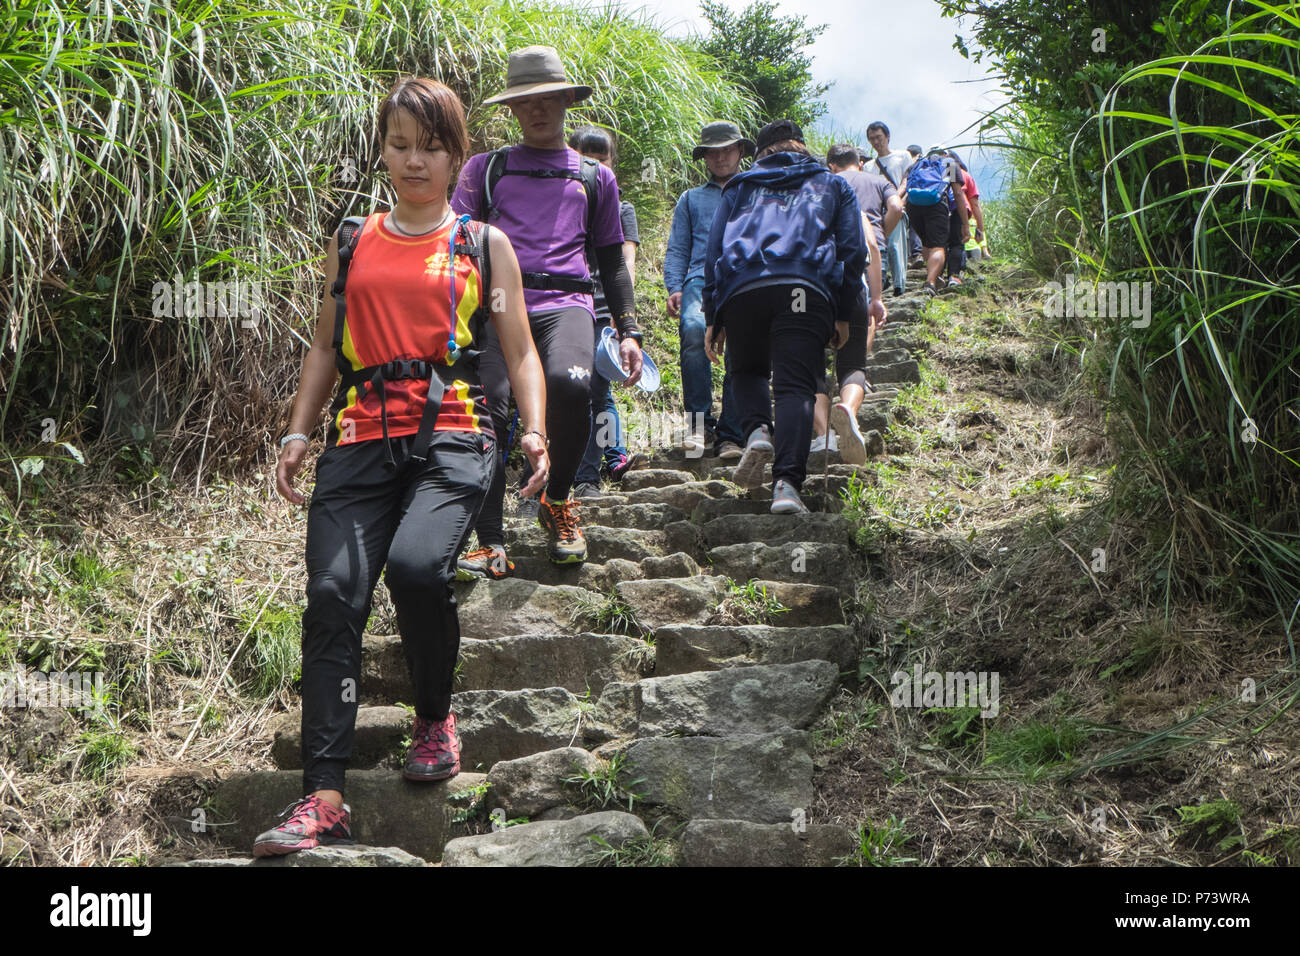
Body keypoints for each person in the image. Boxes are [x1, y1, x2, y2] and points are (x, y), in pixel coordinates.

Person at [258, 77, 549, 856]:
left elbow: (519, 349)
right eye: (399, 144)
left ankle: (433, 716)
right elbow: (325, 345)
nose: (413, 160)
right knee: (332, 596)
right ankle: (323, 794)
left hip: (453, 434)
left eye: (431, 146)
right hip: (357, 439)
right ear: (382, 148)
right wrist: (297, 433)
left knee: (420, 571)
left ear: (458, 155)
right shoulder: (352, 238)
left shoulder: (483, 244)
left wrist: (535, 431)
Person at [451, 46, 643, 577]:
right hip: (496, 305)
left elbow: (610, 260)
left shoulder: (594, 177)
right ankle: (489, 537)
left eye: (548, 100)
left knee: (572, 384)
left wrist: (629, 330)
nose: (538, 110)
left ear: (565, 101)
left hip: (568, 304)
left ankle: (557, 500)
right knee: (487, 405)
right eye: (526, 101)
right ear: (513, 108)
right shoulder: (484, 170)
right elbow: (455, 249)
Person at [703, 119, 866, 514]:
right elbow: (852, 251)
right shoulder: (833, 184)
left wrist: (714, 313)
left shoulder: (739, 187)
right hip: (802, 288)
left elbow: (714, 250)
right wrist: (843, 314)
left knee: (747, 371)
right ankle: (786, 486)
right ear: (802, 147)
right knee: (794, 387)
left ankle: (758, 429)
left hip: (743, 288)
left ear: (758, 153)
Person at [566, 124, 648, 498]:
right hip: (566, 307)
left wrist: (622, 314)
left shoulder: (621, 207)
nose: (595, 166)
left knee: (595, 391)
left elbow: (625, 262)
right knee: (584, 391)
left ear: (613, 164)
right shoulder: (564, 201)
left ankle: (586, 477)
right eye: (588, 159)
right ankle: (609, 457)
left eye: (603, 160)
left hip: (602, 309)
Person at [664, 121, 754, 460]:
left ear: (740, 151)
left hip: (745, 279)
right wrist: (674, 285)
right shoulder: (691, 199)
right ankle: (699, 425)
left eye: (727, 150)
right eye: (712, 152)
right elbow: (678, 248)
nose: (720, 158)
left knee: (742, 344)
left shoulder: (755, 191)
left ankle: (732, 432)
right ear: (704, 158)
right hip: (700, 280)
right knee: (693, 329)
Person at [813, 143, 890, 464]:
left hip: (811, 292)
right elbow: (871, 247)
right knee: (853, 365)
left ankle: (822, 436)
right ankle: (848, 410)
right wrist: (876, 298)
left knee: (812, 369)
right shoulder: (852, 209)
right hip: (852, 289)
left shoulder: (806, 207)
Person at [905, 147, 968, 296]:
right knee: (938, 246)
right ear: (944, 154)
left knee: (927, 243)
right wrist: (965, 223)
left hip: (913, 205)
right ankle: (931, 282)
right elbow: (958, 193)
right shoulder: (949, 163)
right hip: (935, 203)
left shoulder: (917, 164)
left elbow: (904, 186)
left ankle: (934, 274)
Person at [865, 122, 915, 296]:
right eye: (872, 139)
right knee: (879, 246)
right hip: (876, 212)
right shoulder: (868, 166)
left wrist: (898, 201)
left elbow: (907, 181)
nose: (876, 142)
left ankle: (899, 285)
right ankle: (882, 281)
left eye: (878, 137)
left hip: (896, 207)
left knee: (895, 245)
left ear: (887, 136)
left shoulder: (903, 156)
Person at [943, 150, 984, 287]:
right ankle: (954, 275)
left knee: (941, 244)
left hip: (938, 209)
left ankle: (938, 276)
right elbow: (974, 204)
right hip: (959, 210)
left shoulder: (937, 171)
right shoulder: (964, 175)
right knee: (957, 243)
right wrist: (980, 228)